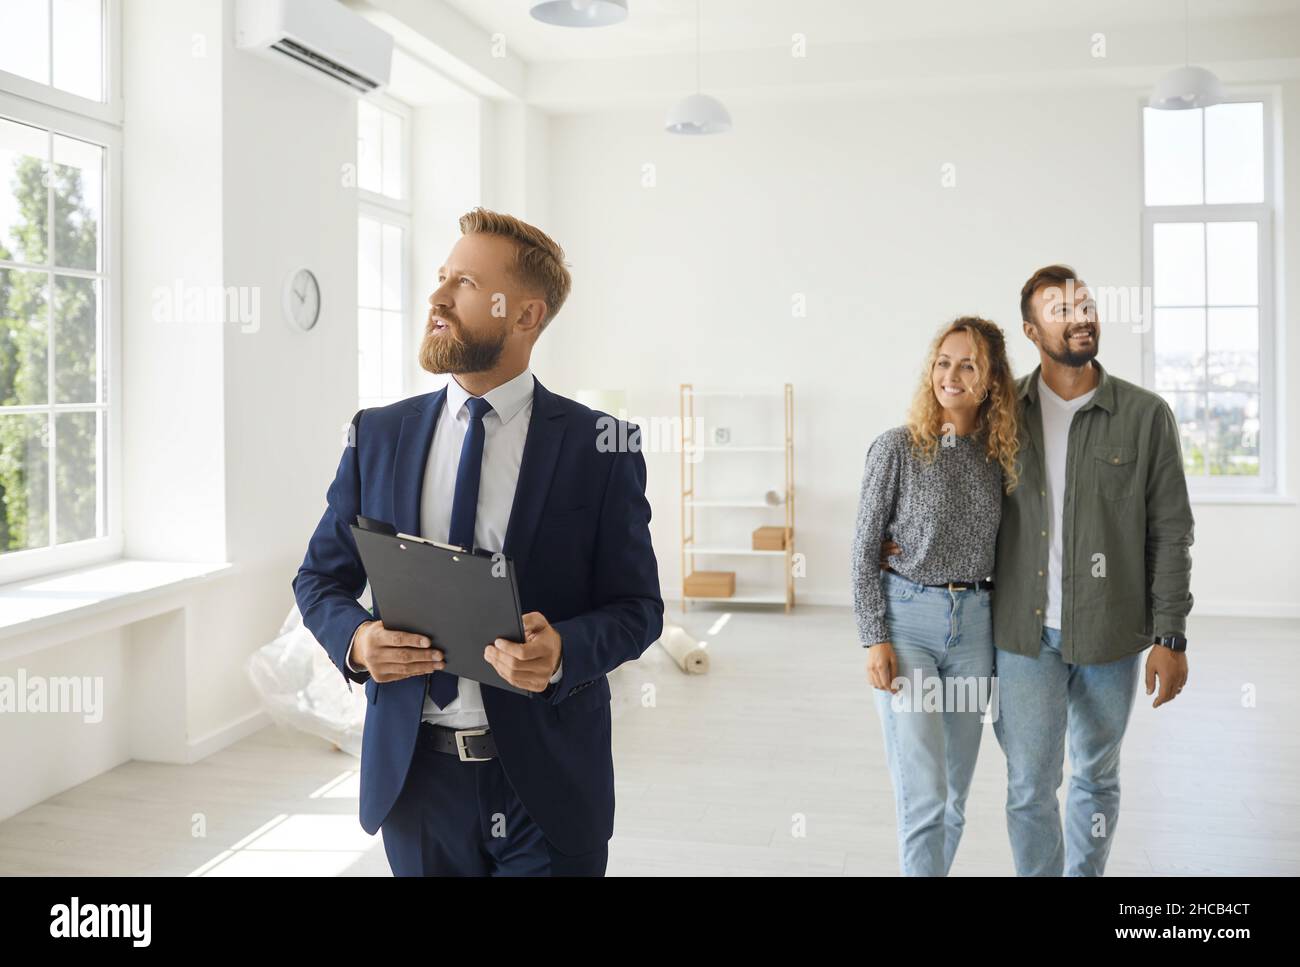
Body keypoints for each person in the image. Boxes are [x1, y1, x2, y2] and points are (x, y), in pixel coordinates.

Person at [293, 207, 663, 876]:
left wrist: (562, 652)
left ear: (525, 316)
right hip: (415, 782)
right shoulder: (377, 435)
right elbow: (318, 579)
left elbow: (639, 607)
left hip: (547, 786)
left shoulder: (601, 447)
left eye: (462, 283)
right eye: (441, 278)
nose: (435, 298)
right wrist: (357, 640)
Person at [989, 264, 1193, 876]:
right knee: (1029, 785)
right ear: (1031, 330)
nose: (1080, 316)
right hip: (1024, 639)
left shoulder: (1145, 414)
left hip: (1112, 635)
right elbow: (962, 504)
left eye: (1085, 304)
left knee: (1097, 777)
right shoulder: (1003, 415)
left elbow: (1172, 530)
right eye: (1060, 309)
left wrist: (1171, 636)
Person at [851, 316, 1020, 876]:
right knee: (923, 793)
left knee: (952, 802)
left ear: (991, 379)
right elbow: (862, 550)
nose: (952, 374)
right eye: (943, 361)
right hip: (908, 625)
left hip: (975, 629)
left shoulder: (1001, 457)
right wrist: (875, 638)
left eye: (968, 363)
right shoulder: (897, 448)